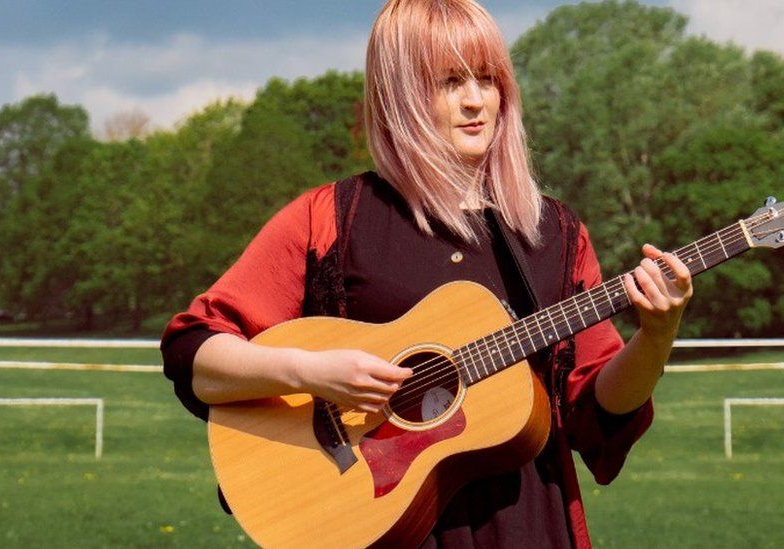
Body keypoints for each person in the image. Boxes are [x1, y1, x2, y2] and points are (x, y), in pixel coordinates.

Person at [161, 0, 693, 547]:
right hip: (375, 525)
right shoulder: (330, 218)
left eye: (488, 79)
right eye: (448, 82)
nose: (475, 100)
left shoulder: (553, 232)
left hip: (528, 528)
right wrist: (312, 372)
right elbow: (196, 355)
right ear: (401, 96)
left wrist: (657, 336)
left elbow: (597, 413)